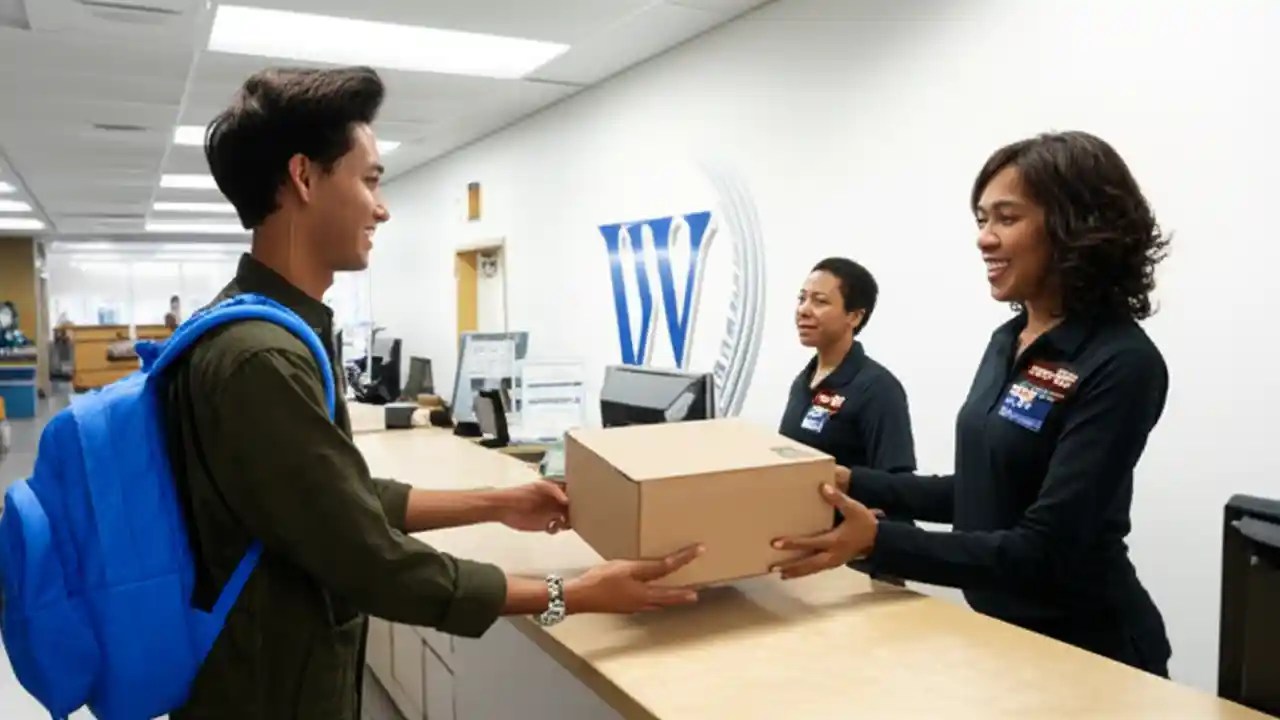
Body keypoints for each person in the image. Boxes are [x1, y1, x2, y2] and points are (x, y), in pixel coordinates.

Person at [162, 66, 703, 720]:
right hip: (271, 692)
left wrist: (501, 501)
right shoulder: (262, 360)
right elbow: (373, 563)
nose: (382, 208)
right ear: (304, 178)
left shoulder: (253, 329)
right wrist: (574, 593)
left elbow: (340, 500)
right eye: (369, 180)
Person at [773, 131, 1173, 677]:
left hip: (1089, 649)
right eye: (981, 220)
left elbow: (1046, 548)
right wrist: (851, 481)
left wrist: (878, 540)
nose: (984, 239)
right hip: (1002, 635)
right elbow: (983, 490)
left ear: (1073, 225)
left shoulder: (1121, 362)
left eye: (1006, 218)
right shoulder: (1009, 341)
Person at [778, 257, 915, 581]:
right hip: (809, 554)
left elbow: (898, 486)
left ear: (854, 316)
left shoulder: (877, 387)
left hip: (859, 563)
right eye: (802, 298)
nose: (804, 310)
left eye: (820, 301)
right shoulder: (804, 381)